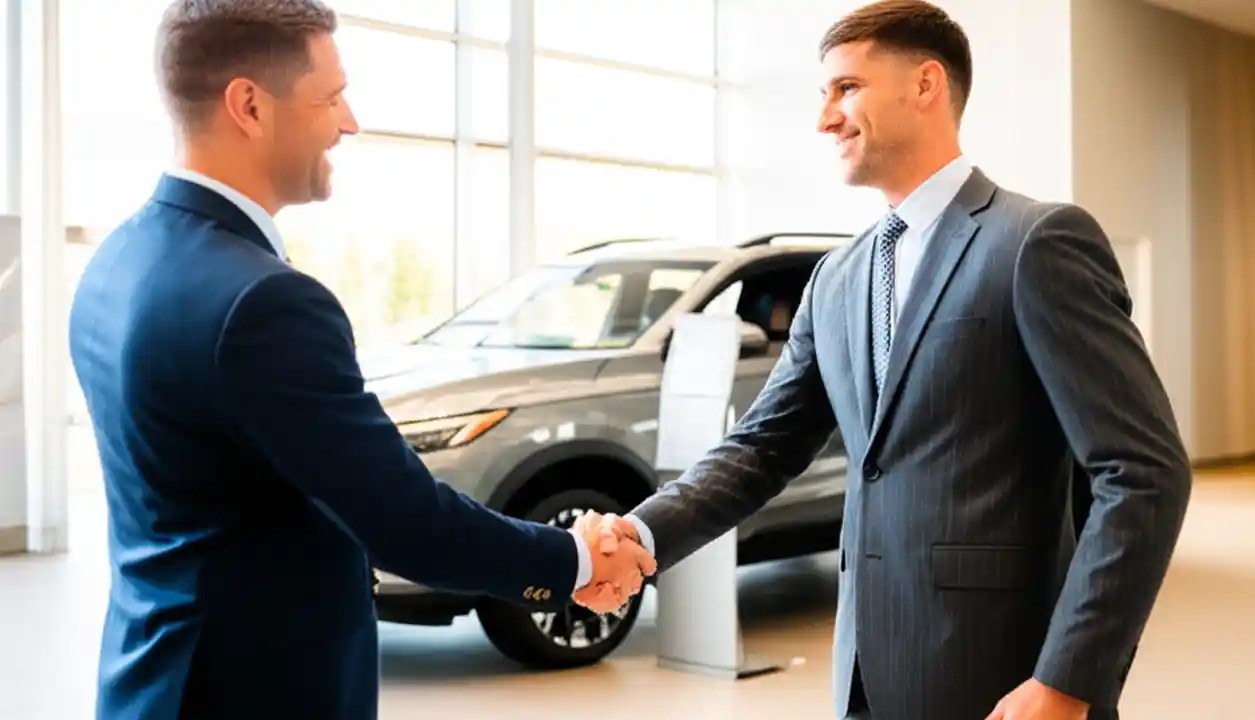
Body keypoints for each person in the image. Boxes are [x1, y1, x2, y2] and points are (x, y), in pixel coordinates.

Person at [581, 1, 1192, 719]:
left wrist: (1069, 679)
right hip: (864, 670)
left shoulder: (1035, 242)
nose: (825, 119)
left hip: (1001, 673)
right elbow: (761, 447)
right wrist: (640, 533)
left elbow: (1142, 471)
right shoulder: (836, 278)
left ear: (925, 84)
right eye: (824, 94)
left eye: (847, 88)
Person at [68, 2, 651, 718]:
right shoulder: (264, 302)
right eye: (331, 97)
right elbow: (406, 522)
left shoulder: (116, 263)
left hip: (149, 682)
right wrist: (577, 561)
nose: (348, 122)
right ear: (249, 105)